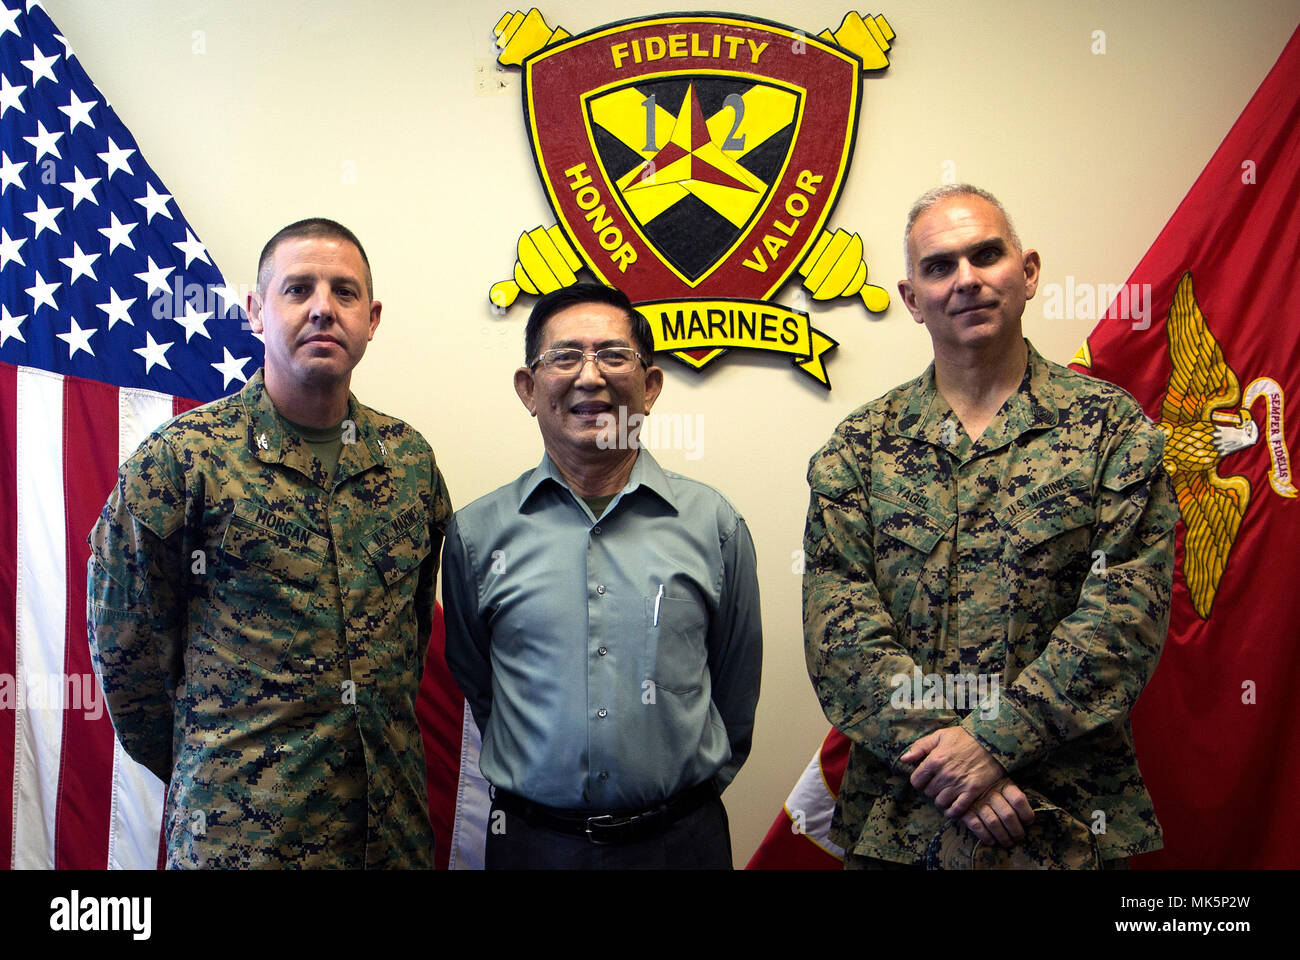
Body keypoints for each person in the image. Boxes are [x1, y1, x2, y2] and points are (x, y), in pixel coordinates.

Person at [803, 185, 1177, 869]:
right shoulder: (858, 448)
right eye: (940, 266)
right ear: (912, 298)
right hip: (902, 823)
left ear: (1028, 272)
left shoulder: (1113, 431)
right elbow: (840, 639)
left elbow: (1123, 619)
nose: (966, 279)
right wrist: (953, 764)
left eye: (986, 255)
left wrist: (994, 742)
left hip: (1063, 824)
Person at [87, 218, 451, 868]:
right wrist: (218, 766)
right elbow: (126, 653)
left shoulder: (409, 464)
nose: (322, 308)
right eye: (297, 289)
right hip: (241, 843)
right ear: (256, 311)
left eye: (344, 292)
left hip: (387, 840)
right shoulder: (181, 463)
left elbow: (410, 638)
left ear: (371, 319)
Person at [442, 282, 762, 869]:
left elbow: (735, 691)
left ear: (652, 385)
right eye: (564, 357)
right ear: (527, 389)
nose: (590, 378)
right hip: (532, 847)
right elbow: (478, 683)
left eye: (614, 356)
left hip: (679, 846)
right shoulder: (475, 535)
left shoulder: (714, 525)